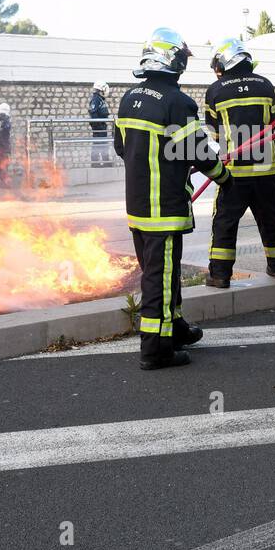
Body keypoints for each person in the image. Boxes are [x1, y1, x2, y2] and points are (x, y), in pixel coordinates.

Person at [115, 28, 231, 370]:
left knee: (164, 273)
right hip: (164, 209)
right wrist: (224, 177)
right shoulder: (177, 103)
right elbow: (198, 151)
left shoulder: (129, 98)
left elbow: (122, 148)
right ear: (174, 61)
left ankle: (175, 328)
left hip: (138, 207)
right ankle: (155, 350)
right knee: (158, 280)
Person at [202, 37, 275, 288]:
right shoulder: (265, 85)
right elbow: (272, 122)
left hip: (234, 173)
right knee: (272, 219)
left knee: (225, 223)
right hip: (266, 168)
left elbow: (214, 133)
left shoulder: (215, 90)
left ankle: (220, 274)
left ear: (222, 62)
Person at [89, 82, 112, 167]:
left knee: (103, 143)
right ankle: (95, 163)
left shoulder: (100, 99)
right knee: (98, 144)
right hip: (98, 126)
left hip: (102, 125)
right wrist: (98, 124)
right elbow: (93, 112)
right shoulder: (96, 99)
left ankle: (105, 161)